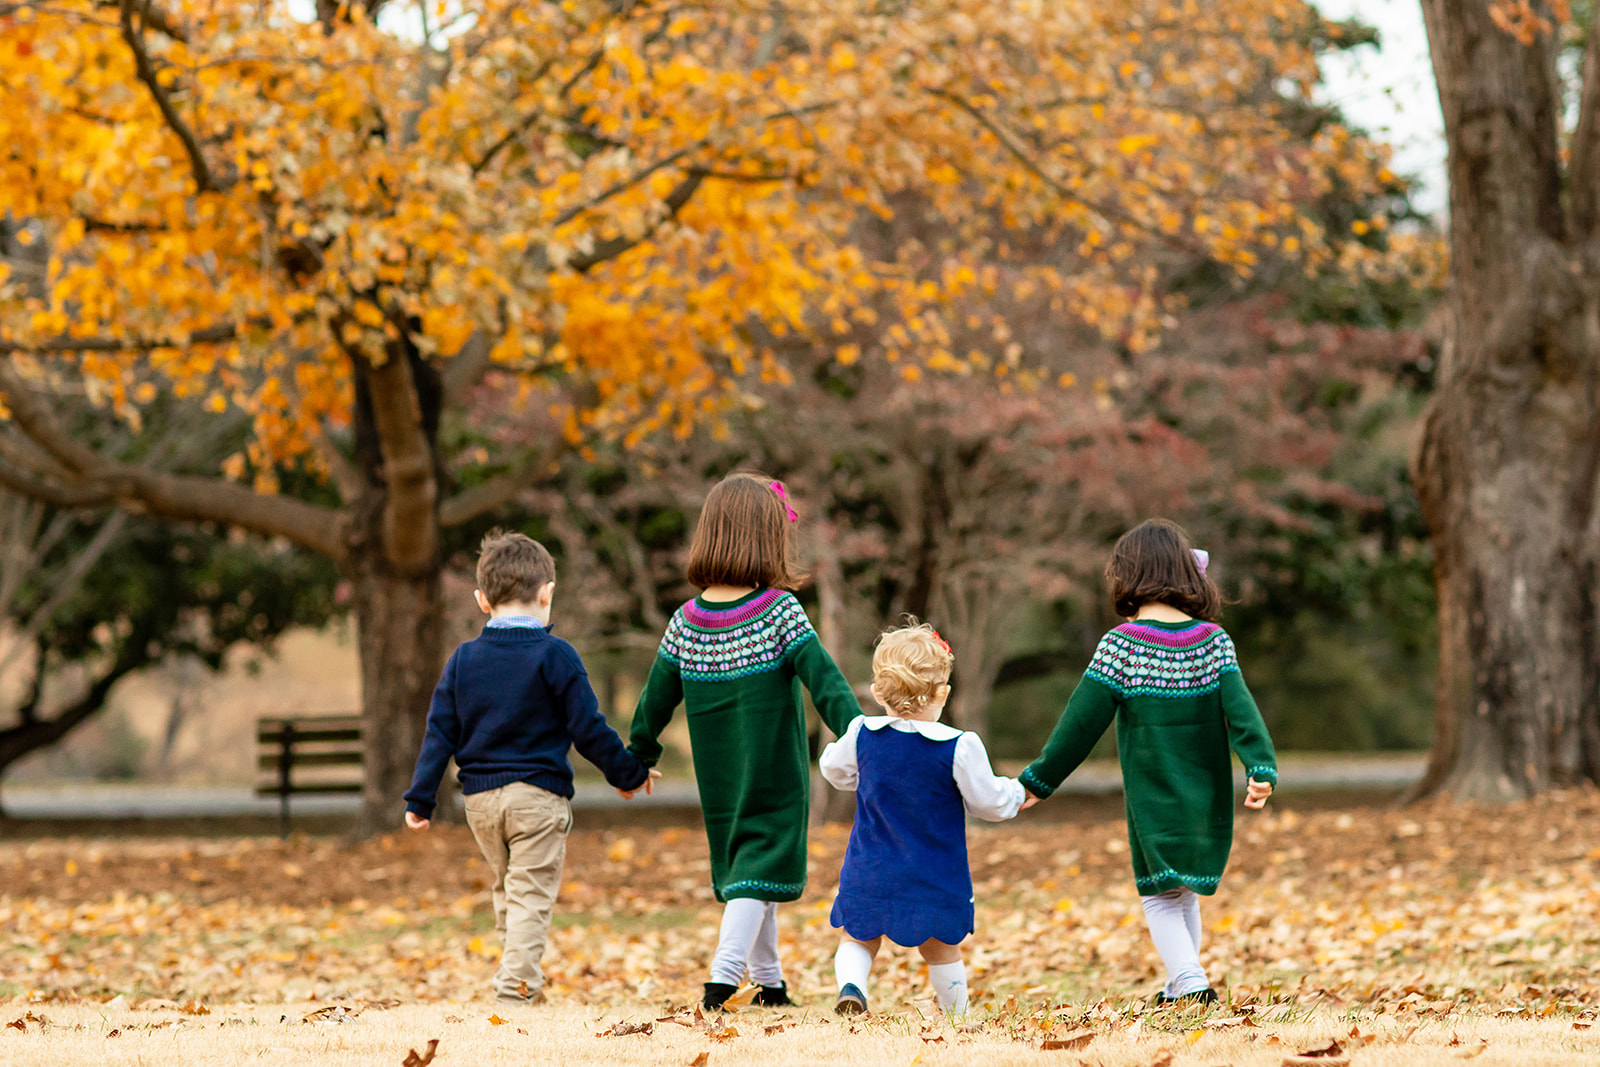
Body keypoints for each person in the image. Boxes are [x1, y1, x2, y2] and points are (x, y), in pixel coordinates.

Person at [627, 473, 863, 1010]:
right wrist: (859, 735)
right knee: (759, 872)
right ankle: (723, 979)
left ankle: (771, 985)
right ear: (765, 541)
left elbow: (654, 700)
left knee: (751, 874)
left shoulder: (685, 621)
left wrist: (638, 755)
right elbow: (824, 680)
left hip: (719, 780)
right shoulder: (778, 611)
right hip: (774, 773)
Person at [1021, 519, 1276, 1006]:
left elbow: (1080, 723)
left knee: (1159, 892)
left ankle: (1193, 983)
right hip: (1206, 792)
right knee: (1184, 891)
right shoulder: (1214, 640)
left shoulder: (1122, 645)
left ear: (1128, 575)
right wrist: (1260, 766)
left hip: (1154, 791)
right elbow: (1242, 710)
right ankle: (1176, 985)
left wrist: (1040, 779)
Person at [403, 531, 657, 1007]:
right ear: (548, 593)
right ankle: (515, 991)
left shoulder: (463, 660)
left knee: (510, 889)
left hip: (479, 803)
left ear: (482, 600)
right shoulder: (555, 655)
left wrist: (420, 798)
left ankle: (520, 980)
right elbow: (589, 728)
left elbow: (439, 733)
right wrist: (629, 773)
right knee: (530, 897)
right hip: (536, 800)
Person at [820, 621, 1027, 1017]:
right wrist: (1018, 793)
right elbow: (988, 802)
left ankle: (852, 984)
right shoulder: (958, 746)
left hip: (871, 867)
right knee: (940, 947)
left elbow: (833, 768)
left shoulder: (862, 733)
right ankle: (957, 1017)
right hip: (933, 873)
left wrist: (862, 777)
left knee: (858, 938)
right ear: (943, 692)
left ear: (879, 691)